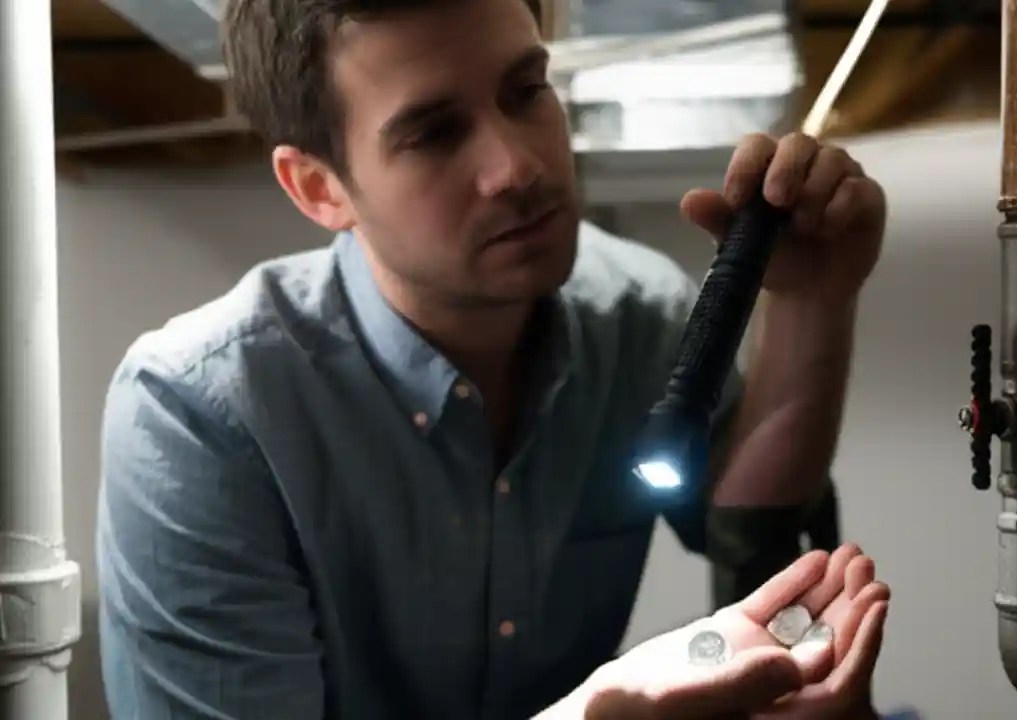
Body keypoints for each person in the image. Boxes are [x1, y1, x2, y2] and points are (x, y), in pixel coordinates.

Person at [95, 0, 889, 718]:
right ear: (318, 187)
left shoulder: (637, 317)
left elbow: (745, 530)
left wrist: (810, 307)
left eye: (526, 91)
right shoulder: (197, 415)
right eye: (434, 133)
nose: (517, 167)